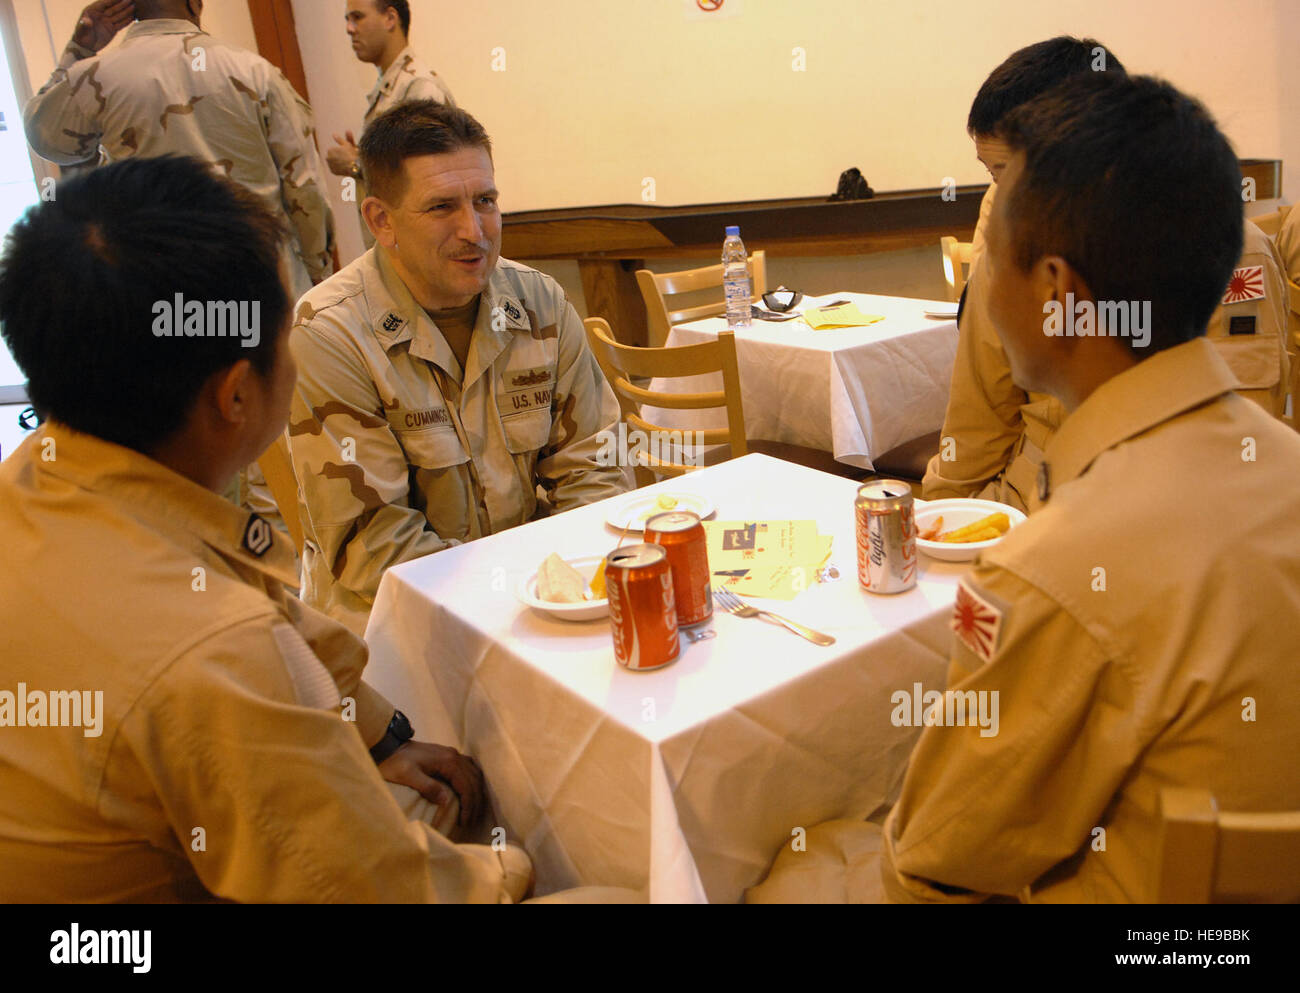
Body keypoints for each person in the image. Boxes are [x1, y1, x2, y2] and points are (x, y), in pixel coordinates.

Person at [750, 72, 1300, 903]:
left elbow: (934, 863)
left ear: (1055, 290)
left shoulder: (1048, 572)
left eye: (987, 248)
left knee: (781, 860)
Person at [0, 156, 529, 902]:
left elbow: (260, 602)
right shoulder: (219, 655)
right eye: (286, 335)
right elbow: (383, 891)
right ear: (237, 394)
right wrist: (525, 867)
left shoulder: (39, 470)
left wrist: (376, 729)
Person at [289, 101, 629, 636]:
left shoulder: (539, 303)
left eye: (486, 201)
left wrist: (573, 585)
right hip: (397, 626)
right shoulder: (330, 334)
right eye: (442, 207)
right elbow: (375, 545)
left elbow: (596, 466)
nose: (474, 230)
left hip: (540, 598)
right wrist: (512, 609)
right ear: (381, 220)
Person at [922, 37, 1290, 512]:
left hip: (1171, 512)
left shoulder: (1219, 246)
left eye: (1013, 174)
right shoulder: (1006, 219)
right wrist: (945, 515)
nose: (1006, 198)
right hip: (1032, 494)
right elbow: (981, 404)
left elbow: (1236, 451)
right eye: (994, 174)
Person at [23, 0, 335, 304]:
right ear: (194, 4)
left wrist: (80, 48)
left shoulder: (95, 77)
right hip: (264, 283)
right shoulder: (256, 72)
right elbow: (304, 189)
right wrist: (318, 272)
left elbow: (45, 137)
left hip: (162, 293)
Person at [326, 0, 455, 249]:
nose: (349, 29)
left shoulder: (418, 87)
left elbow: (426, 176)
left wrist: (354, 164)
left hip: (423, 250)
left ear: (390, 18)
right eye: (347, 20)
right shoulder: (392, 87)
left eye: (357, 17)